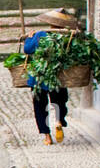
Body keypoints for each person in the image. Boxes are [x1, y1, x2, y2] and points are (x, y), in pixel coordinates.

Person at [22, 9, 80, 145]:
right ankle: (59, 121)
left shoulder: (41, 35)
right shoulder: (68, 37)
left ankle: (47, 137)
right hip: (59, 76)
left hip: (39, 77)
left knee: (40, 106)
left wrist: (29, 39)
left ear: (50, 24)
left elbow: (28, 50)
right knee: (60, 102)